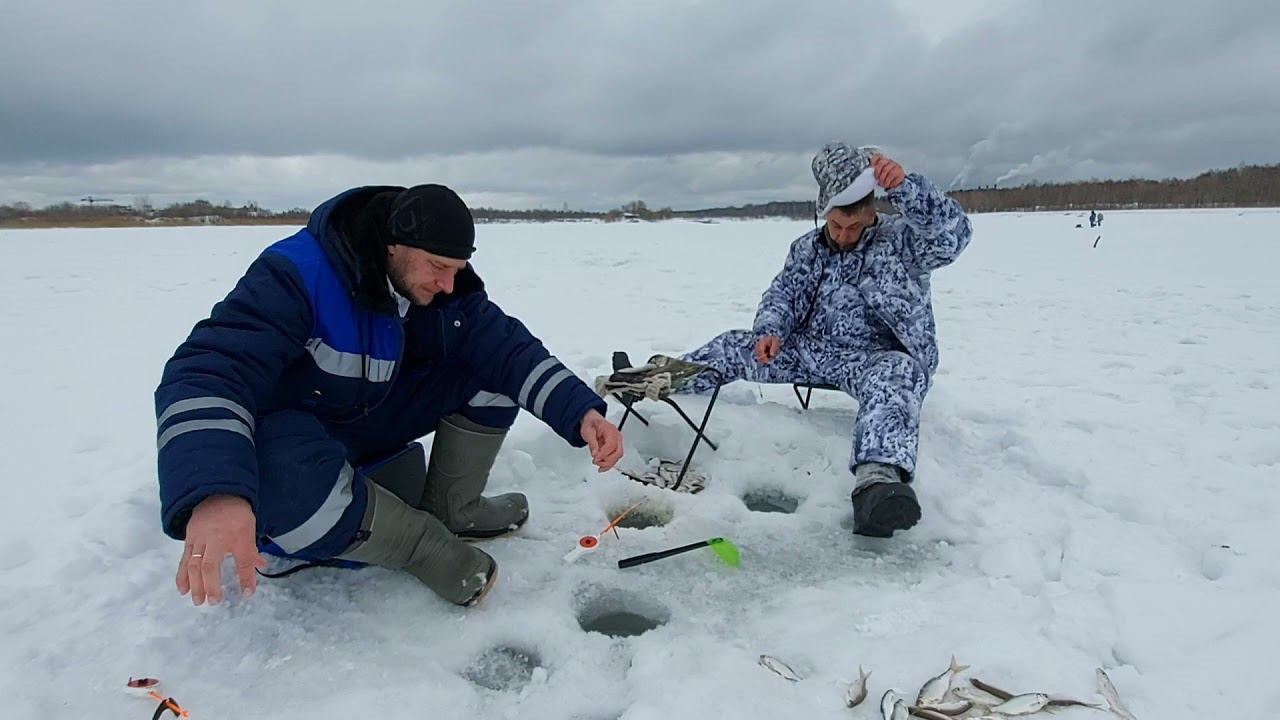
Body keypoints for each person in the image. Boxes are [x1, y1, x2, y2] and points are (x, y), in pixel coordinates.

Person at [155, 184, 623, 608]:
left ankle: (452, 510)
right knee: (276, 481)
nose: (448, 285)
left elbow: (504, 346)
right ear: (393, 245)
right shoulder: (298, 274)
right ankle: (420, 545)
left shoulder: (435, 287)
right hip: (293, 434)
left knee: (490, 370)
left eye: (457, 270)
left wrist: (581, 411)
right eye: (438, 268)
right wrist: (216, 495)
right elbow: (206, 370)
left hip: (363, 413)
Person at [598, 143, 971, 537]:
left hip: (873, 359)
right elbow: (782, 296)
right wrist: (770, 331)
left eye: (854, 227)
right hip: (809, 352)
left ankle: (877, 484)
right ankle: (654, 379)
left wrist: (908, 189)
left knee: (898, 374)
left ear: (871, 211)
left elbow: (953, 236)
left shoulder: (904, 243)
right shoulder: (806, 249)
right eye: (836, 226)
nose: (843, 236)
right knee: (733, 344)